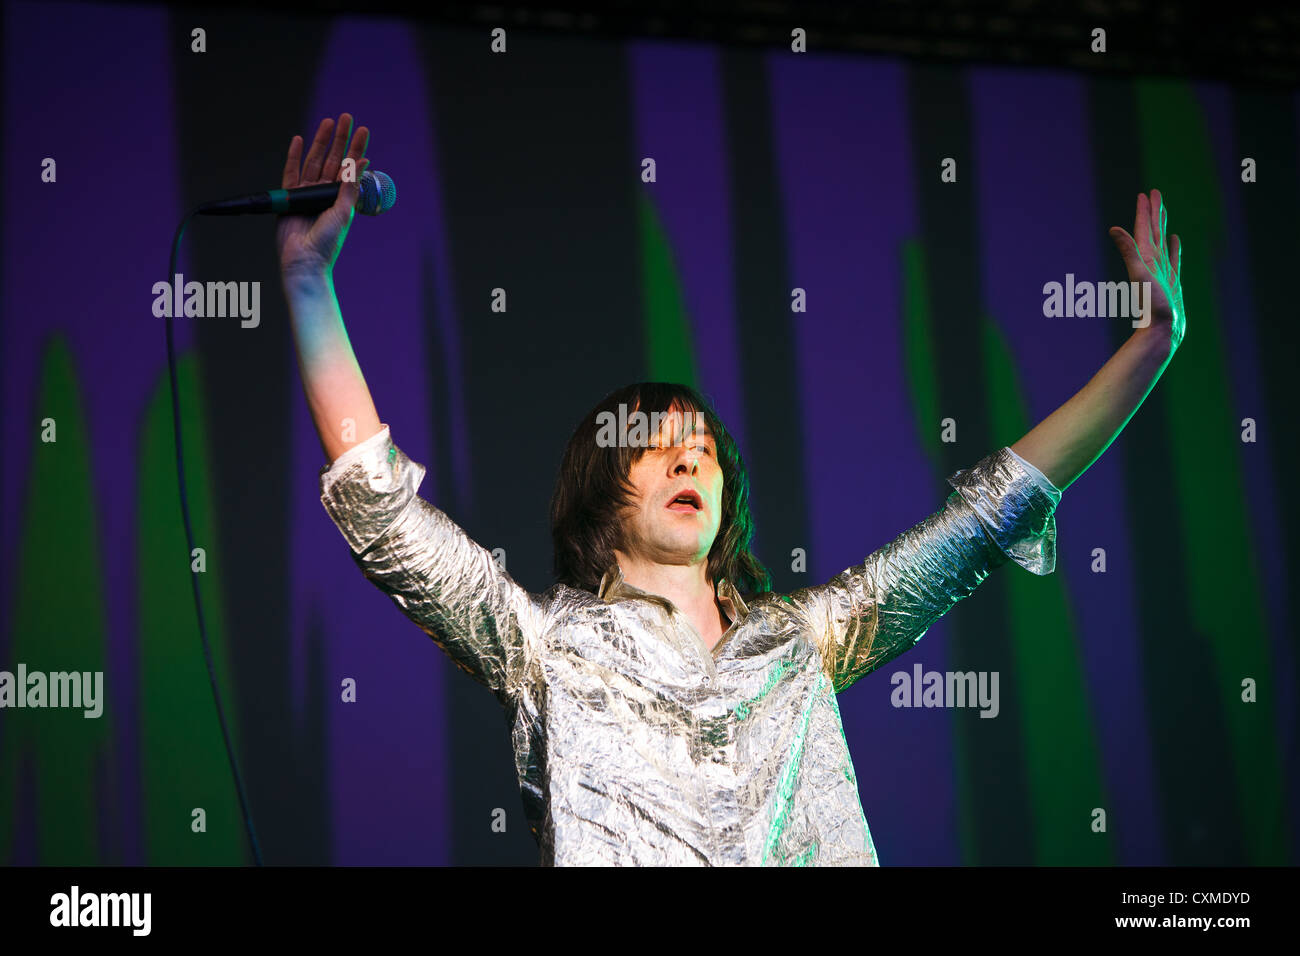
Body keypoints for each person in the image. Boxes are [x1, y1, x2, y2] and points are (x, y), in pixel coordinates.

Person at [278, 114, 1186, 865]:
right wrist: (308, 279)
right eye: (659, 447)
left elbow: (992, 512)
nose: (686, 462)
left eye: (703, 451)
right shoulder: (544, 645)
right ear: (602, 490)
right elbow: (380, 506)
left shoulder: (805, 640)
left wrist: (1148, 351)